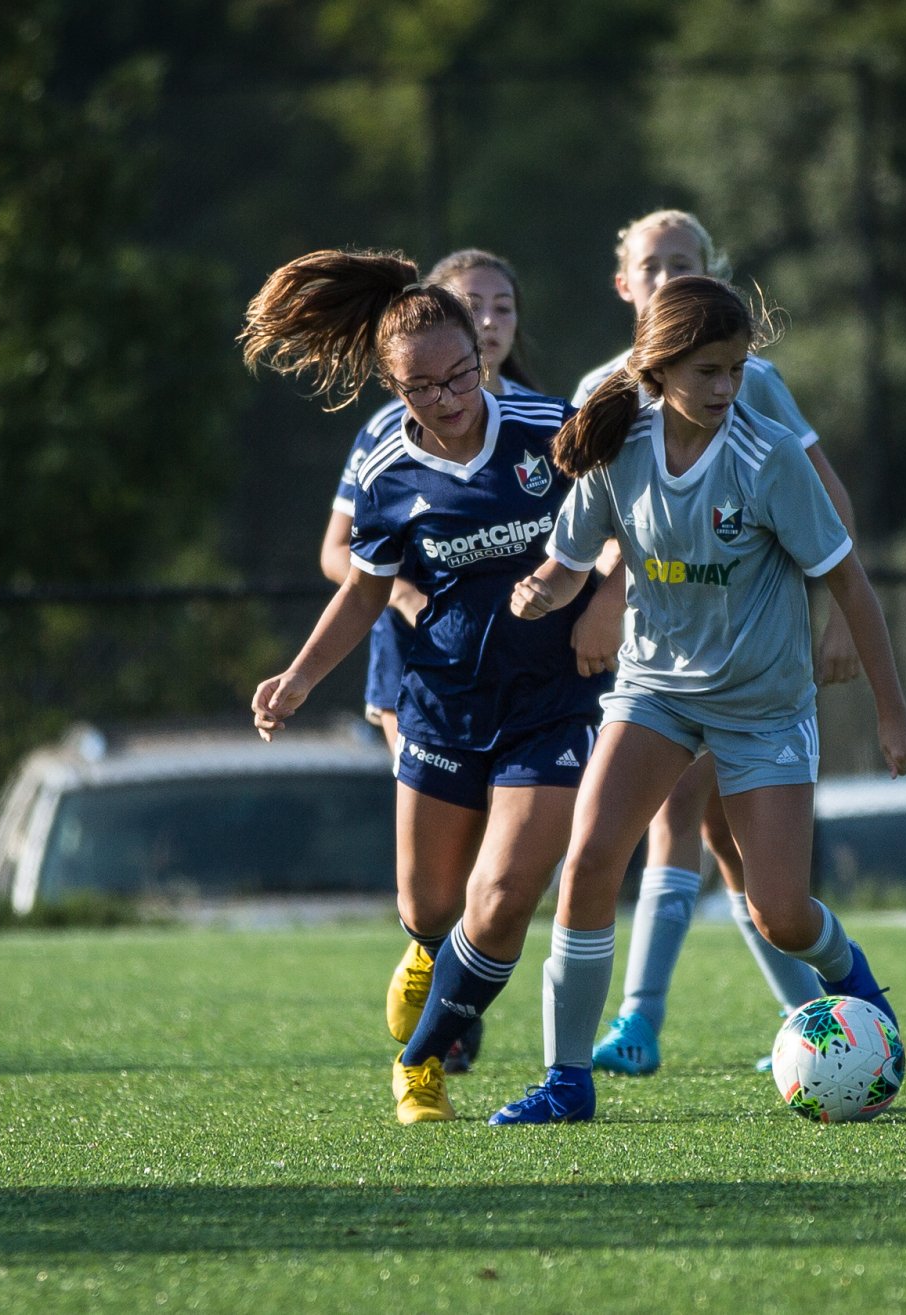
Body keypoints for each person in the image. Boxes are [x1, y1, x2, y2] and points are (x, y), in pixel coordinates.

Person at [487, 274, 906, 1124]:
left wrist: (892, 708)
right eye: (708, 373)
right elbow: (572, 557)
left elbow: (853, 586)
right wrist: (543, 588)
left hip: (763, 707)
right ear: (658, 369)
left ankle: (858, 987)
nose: (727, 389)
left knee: (782, 913)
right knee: (586, 865)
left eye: (735, 369)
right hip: (656, 691)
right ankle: (567, 1081)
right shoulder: (619, 448)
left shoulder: (767, 461)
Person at [240, 248, 623, 1124]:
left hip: (552, 700)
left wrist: (606, 598)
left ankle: (421, 1064)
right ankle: (425, 956)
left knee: (501, 900)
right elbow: (366, 584)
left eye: (463, 375)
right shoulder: (381, 461)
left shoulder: (547, 428)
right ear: (392, 385)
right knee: (429, 906)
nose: (450, 399)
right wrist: (298, 678)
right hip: (442, 705)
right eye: (424, 388)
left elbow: (631, 517)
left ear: (483, 359)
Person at [574, 209, 864, 1078]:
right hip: (658, 650)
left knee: (714, 841)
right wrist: (596, 595)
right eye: (651, 266)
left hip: (739, 652)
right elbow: (620, 518)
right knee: (718, 846)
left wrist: (841, 614)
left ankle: (643, 1017)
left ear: (714, 273)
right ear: (624, 284)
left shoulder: (748, 381)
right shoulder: (605, 388)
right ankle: (812, 1021)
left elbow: (818, 499)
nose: (668, 278)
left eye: (685, 263)